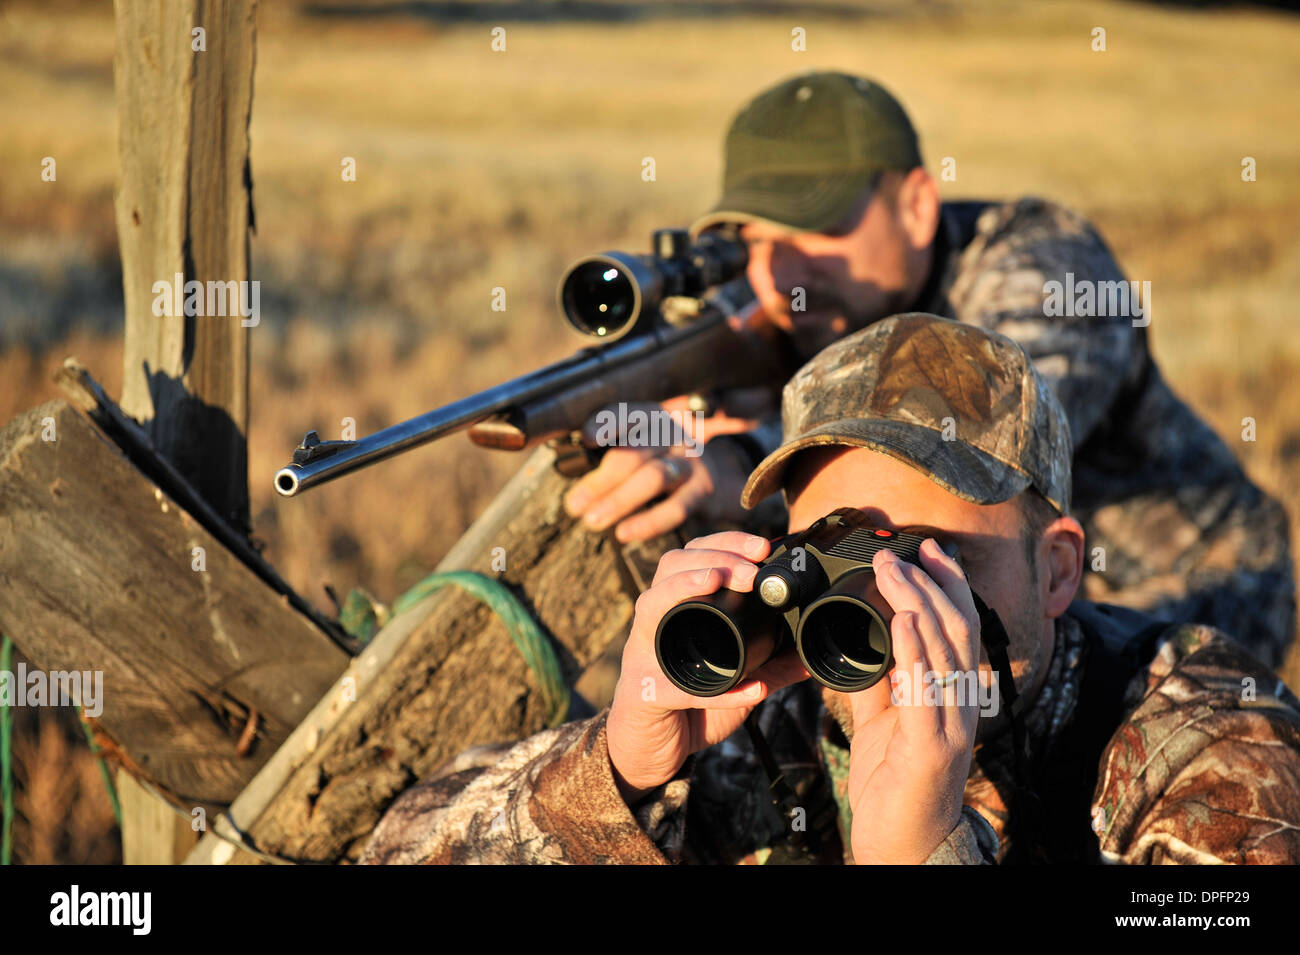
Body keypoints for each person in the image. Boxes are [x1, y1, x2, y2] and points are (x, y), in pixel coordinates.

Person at [361, 314, 1300, 865]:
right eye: (837, 556)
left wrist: (916, 845)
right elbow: (392, 850)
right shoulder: (785, 715)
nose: (888, 610)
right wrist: (621, 770)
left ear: (1057, 567)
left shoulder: (1207, 738)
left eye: (927, 556)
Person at [561, 71, 1294, 668]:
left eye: (818, 228)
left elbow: (980, 442)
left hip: (1183, 585)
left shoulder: (1042, 262)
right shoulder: (809, 307)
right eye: (754, 239)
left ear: (915, 205)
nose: (783, 271)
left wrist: (739, 459)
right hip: (978, 584)